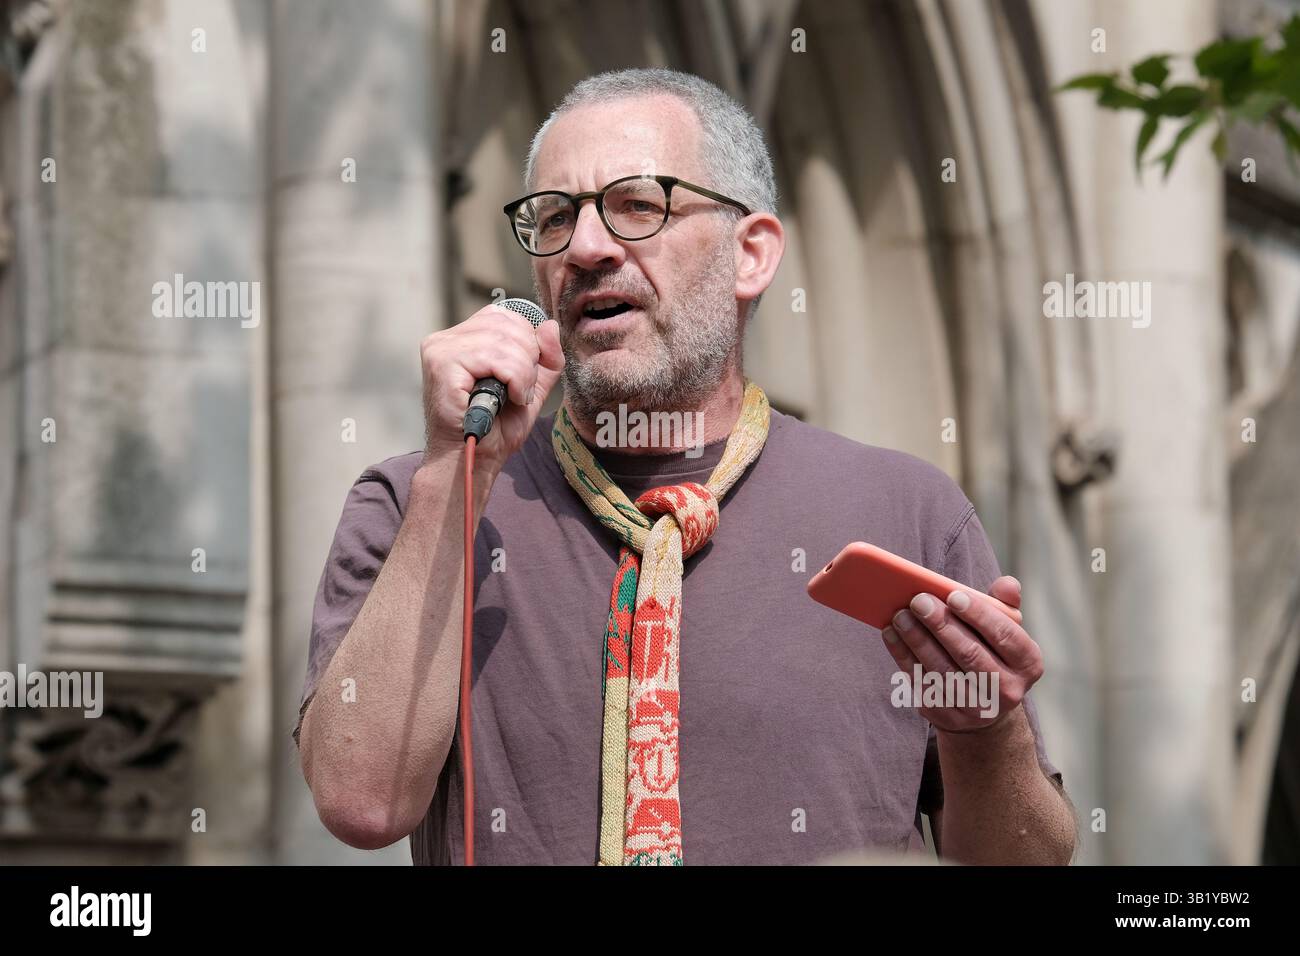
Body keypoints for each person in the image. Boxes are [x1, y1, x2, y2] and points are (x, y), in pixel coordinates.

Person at [295, 67, 1077, 866]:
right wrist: (448, 484)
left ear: (752, 255)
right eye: (556, 216)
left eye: (640, 204)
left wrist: (985, 730)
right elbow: (362, 803)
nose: (588, 248)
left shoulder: (906, 512)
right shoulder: (421, 498)